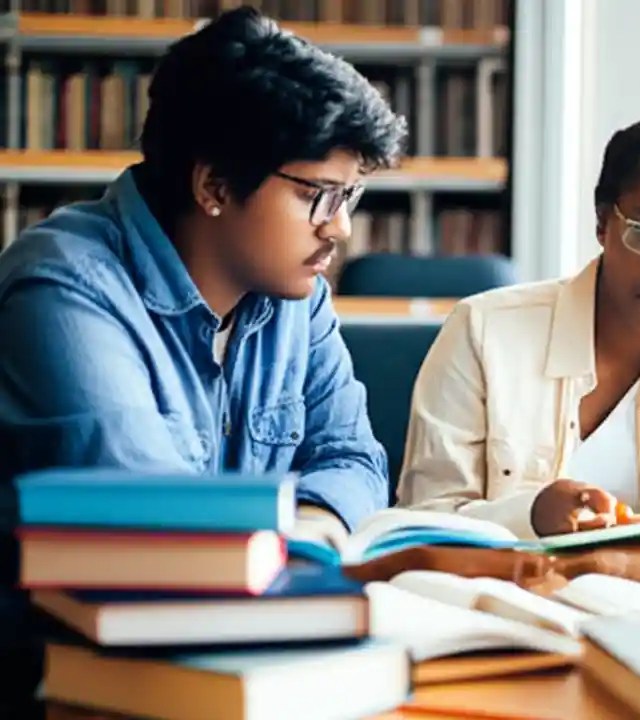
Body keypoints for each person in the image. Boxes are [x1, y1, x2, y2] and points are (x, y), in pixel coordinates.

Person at [0, 8, 402, 710]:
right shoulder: (60, 289)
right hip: (88, 693)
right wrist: (296, 536)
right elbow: (162, 538)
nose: (340, 226)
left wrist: (308, 525)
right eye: (319, 196)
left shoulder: (294, 295)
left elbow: (357, 460)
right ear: (214, 185)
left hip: (252, 665)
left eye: (352, 194)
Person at [398, 114, 640, 538]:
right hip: (511, 590)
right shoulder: (483, 330)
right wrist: (531, 515)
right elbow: (427, 514)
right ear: (603, 222)